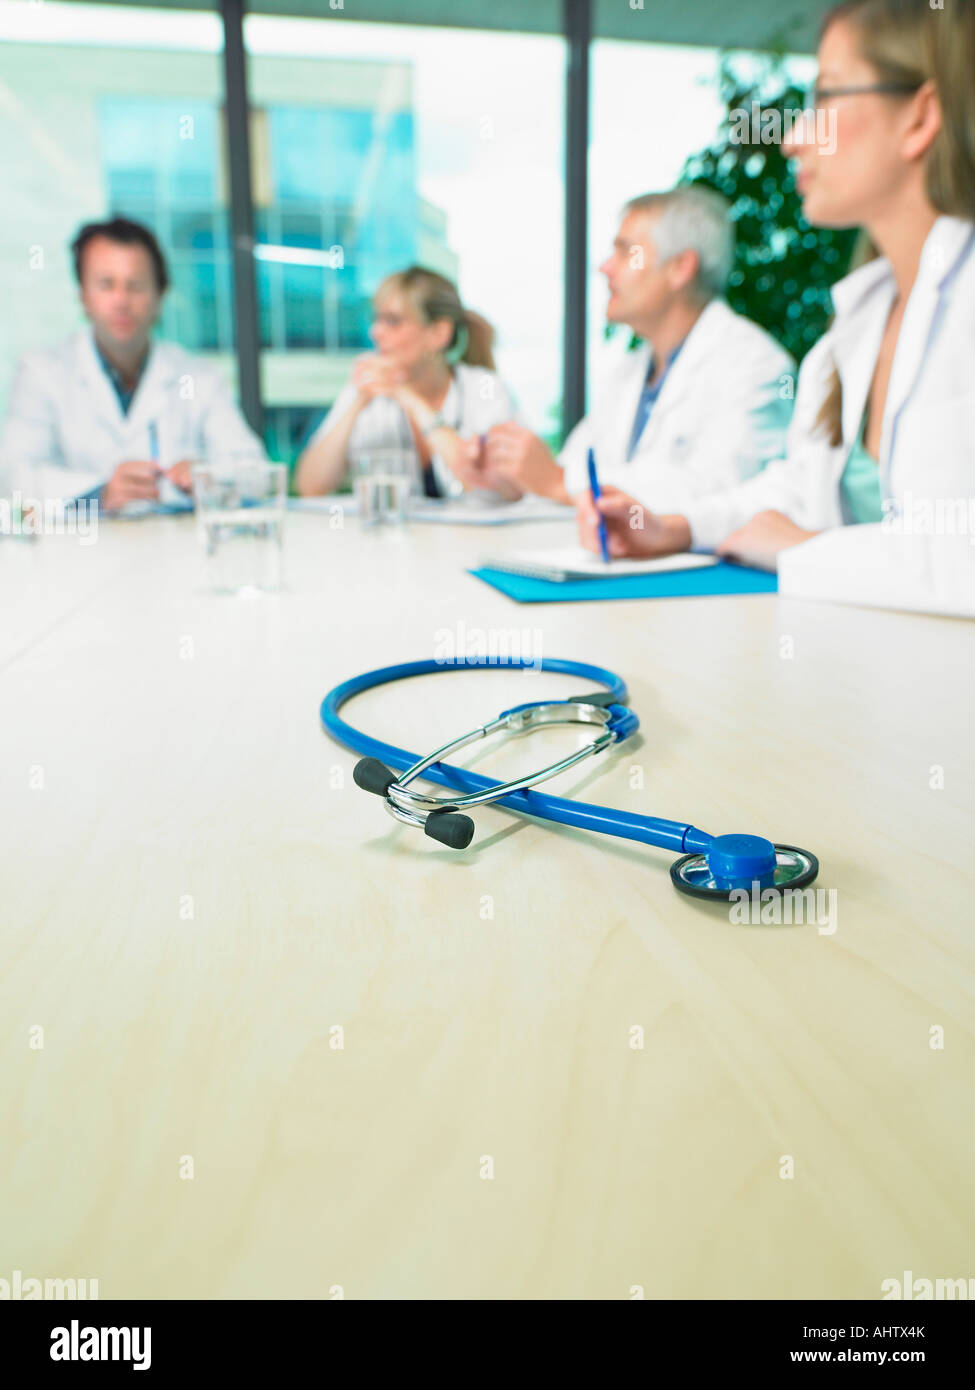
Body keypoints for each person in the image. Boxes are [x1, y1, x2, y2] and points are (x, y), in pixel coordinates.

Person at [578, 0, 975, 618]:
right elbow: (800, 488)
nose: (793, 140)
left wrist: (805, 553)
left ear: (920, 117)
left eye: (826, 98)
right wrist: (679, 528)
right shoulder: (863, 317)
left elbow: (954, 558)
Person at [476, 185, 794, 508]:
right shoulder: (629, 372)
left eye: (626, 252)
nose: (605, 268)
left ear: (680, 268)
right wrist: (510, 478)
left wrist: (560, 483)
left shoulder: (756, 366)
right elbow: (570, 466)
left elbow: (723, 493)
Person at [0, 216, 266, 511]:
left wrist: (209, 479)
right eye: (106, 284)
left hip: (177, 549)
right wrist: (99, 495)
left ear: (159, 296)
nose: (121, 300)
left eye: (135, 286)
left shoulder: (199, 377)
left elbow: (256, 473)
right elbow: (16, 478)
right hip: (75, 552)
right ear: (83, 296)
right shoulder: (40, 372)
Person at [295, 267, 521, 501]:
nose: (375, 332)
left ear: (439, 333)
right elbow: (311, 487)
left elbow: (502, 489)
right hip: (394, 537)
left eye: (392, 321)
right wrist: (357, 403)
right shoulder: (367, 390)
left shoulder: (484, 389)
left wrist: (410, 399)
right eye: (376, 319)